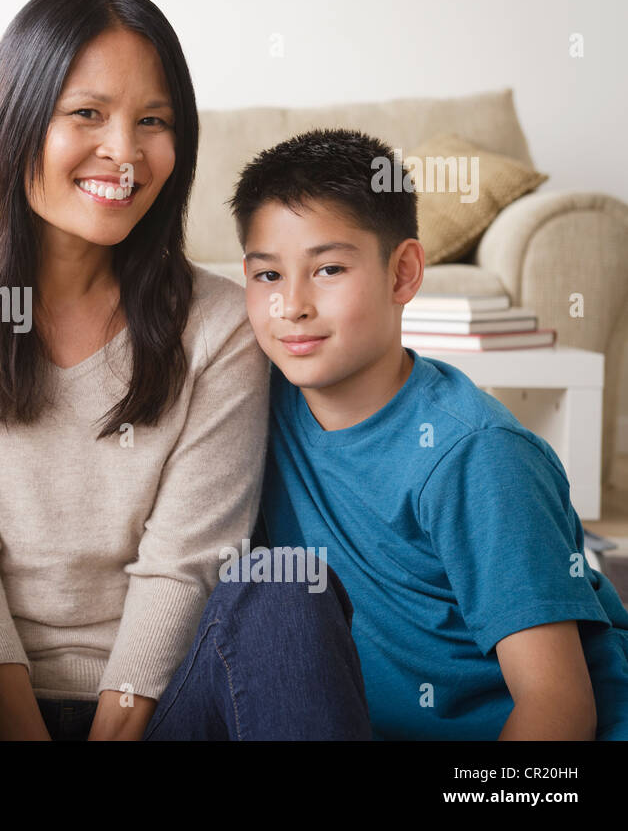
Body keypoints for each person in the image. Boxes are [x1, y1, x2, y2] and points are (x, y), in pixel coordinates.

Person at [0, 0, 372, 740]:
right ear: (17, 121)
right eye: (87, 114)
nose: (123, 154)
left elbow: (183, 566)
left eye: (152, 121)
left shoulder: (222, 323)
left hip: (159, 709)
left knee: (287, 583)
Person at [231, 126, 628, 740]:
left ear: (403, 273)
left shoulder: (476, 456)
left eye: (329, 268)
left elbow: (561, 710)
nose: (293, 306)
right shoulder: (251, 403)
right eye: (267, 277)